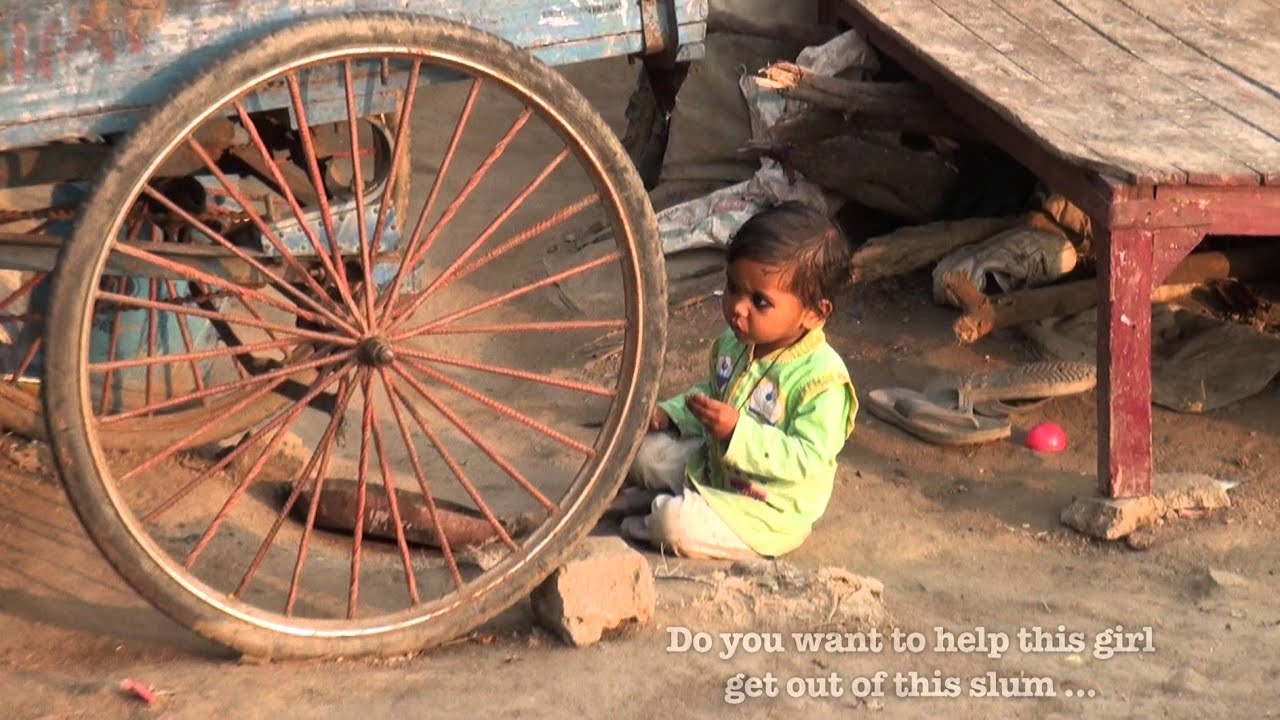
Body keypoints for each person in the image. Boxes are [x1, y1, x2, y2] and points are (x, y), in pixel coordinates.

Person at [616, 201, 858, 560]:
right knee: (640, 452)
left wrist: (738, 433)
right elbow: (713, 393)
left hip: (766, 508)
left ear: (814, 312)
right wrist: (671, 414)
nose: (737, 308)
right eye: (733, 288)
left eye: (760, 301)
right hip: (716, 468)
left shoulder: (823, 382)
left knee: (673, 525)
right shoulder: (736, 343)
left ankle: (655, 517)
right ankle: (676, 500)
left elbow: (807, 459)